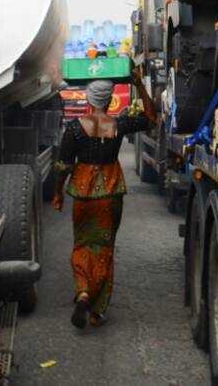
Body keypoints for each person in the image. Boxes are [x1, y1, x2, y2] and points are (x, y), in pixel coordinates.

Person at [52, 73, 157, 329]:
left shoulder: (75, 129)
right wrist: (139, 84)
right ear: (110, 101)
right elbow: (151, 118)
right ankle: (97, 311)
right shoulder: (118, 125)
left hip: (83, 196)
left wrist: (57, 193)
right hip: (110, 195)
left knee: (82, 245)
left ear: (88, 100)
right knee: (104, 249)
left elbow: (63, 166)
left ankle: (83, 291)